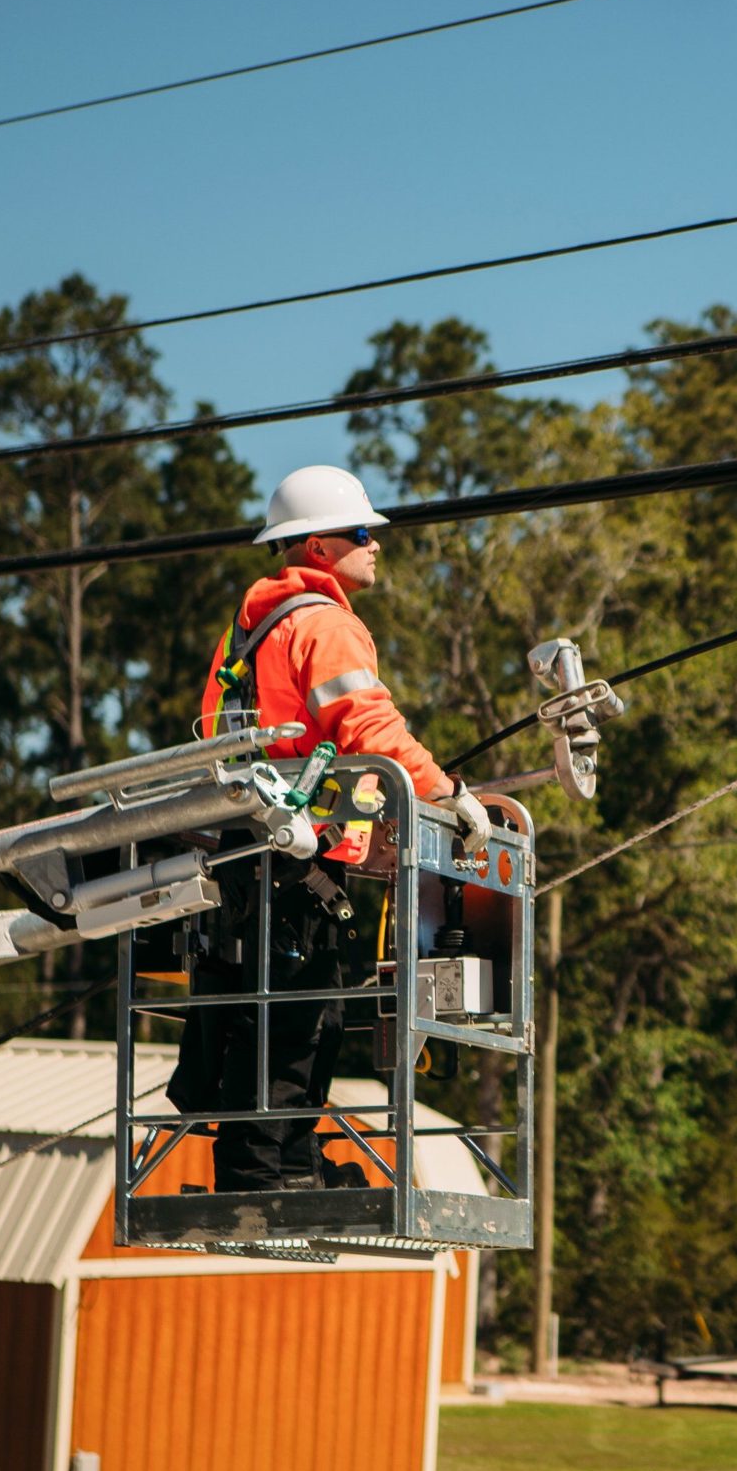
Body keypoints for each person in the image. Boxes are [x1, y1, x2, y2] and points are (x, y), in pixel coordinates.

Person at [168, 464, 495, 1193]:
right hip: (296, 861)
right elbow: (368, 729)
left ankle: (282, 1160)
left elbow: (258, 746)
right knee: (298, 1016)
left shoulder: (243, 638)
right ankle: (265, 1169)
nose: (375, 543)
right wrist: (448, 795)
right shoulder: (326, 624)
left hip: (244, 854)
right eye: (359, 532)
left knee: (275, 1011)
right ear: (316, 548)